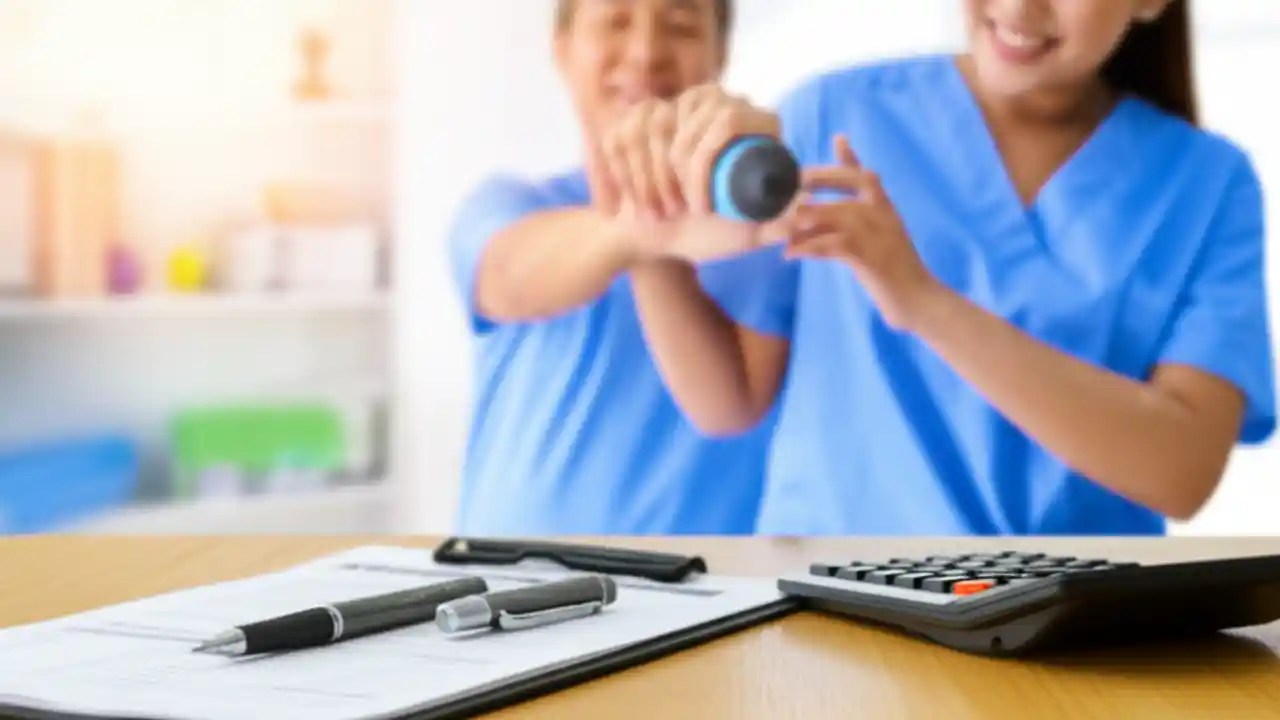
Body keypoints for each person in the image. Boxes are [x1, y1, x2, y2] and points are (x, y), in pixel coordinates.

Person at [600, 0, 1276, 535]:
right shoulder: (833, 115)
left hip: (1078, 633)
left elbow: (1180, 470)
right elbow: (729, 401)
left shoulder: (1209, 184)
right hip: (835, 611)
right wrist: (646, 242)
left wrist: (923, 301)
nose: (1020, 6)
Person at [447, 0, 772, 535]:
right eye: (615, 22)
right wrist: (644, 227)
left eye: (681, 26)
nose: (646, 53)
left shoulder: (764, 236)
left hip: (715, 594)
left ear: (722, 53)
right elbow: (506, 277)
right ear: (563, 51)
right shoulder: (510, 203)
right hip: (512, 589)